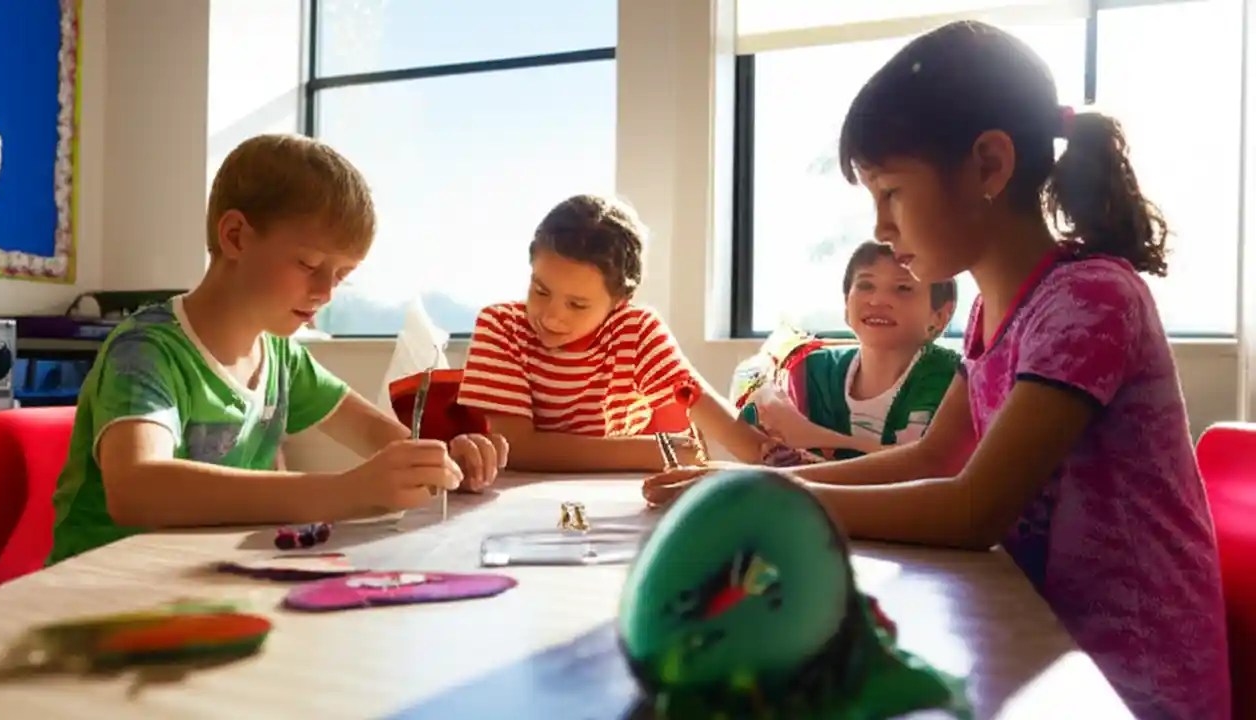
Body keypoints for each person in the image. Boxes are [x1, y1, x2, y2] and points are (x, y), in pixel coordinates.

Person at [644, 21, 1229, 718]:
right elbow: (931, 456)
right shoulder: (989, 314)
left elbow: (974, 508)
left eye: (890, 191)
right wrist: (756, 480)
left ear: (988, 166)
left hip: (1129, 682)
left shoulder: (1090, 299)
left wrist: (764, 505)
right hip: (1041, 646)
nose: (881, 227)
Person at [50, 134, 508, 564]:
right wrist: (345, 491)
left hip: (197, 583)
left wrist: (443, 461)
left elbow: (380, 438)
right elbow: (138, 489)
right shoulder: (146, 350)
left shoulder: (282, 357)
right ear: (235, 237)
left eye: (342, 275)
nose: (326, 291)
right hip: (101, 593)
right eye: (309, 263)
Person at [456, 194, 769, 472]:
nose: (551, 316)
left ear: (619, 302)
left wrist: (774, 459)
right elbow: (517, 447)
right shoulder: (501, 326)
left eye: (577, 305)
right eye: (540, 291)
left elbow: (699, 401)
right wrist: (659, 450)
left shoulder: (635, 331)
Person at [736, 240, 959, 465]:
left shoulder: (952, 379)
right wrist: (766, 403)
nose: (877, 300)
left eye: (903, 288)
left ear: (939, 316)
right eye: (865, 285)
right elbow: (753, 418)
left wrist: (813, 435)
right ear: (845, 304)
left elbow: (922, 467)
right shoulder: (811, 370)